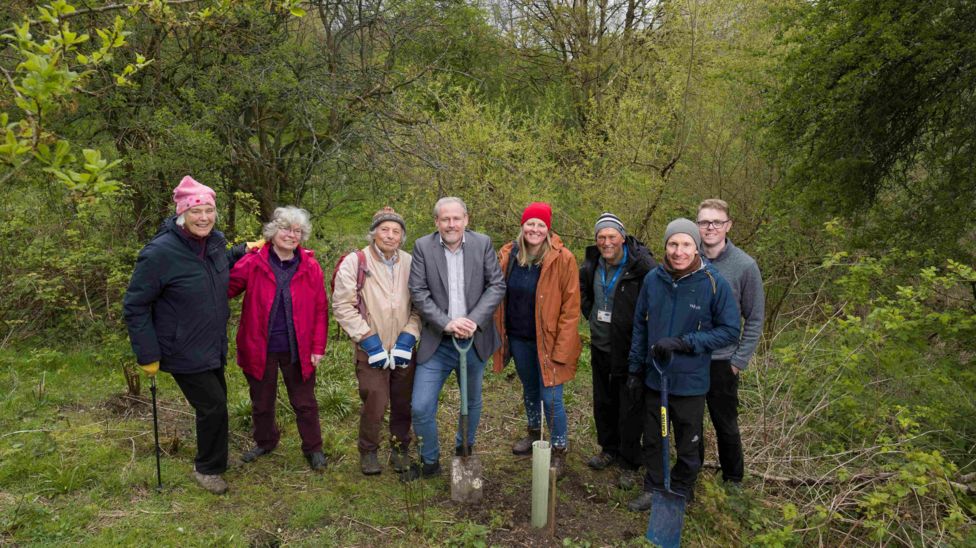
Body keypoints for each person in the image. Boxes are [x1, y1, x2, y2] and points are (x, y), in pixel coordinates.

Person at [123, 175, 234, 494]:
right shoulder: (159, 253)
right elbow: (135, 305)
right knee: (213, 406)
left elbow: (216, 267)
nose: (204, 218)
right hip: (182, 347)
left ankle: (215, 459)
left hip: (212, 344)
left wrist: (241, 251)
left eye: (209, 210)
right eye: (196, 211)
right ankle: (207, 469)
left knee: (216, 403)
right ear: (182, 214)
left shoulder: (212, 243)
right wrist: (147, 354)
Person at [626, 218, 741, 511]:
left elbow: (729, 330)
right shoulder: (654, 279)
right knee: (653, 438)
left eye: (686, 244)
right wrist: (635, 368)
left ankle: (680, 489)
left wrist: (685, 342)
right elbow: (640, 324)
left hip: (690, 380)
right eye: (673, 244)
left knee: (688, 442)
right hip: (656, 376)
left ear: (696, 246)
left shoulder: (713, 283)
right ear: (665, 246)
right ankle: (654, 487)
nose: (679, 251)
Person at [402, 197, 506, 481]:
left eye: (456, 218)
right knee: (421, 406)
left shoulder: (482, 243)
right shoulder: (423, 247)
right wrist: (448, 322)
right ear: (436, 222)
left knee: (471, 402)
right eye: (445, 219)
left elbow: (496, 285)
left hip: (474, 340)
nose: (451, 224)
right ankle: (430, 459)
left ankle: (464, 449)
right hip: (437, 341)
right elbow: (419, 292)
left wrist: (473, 320)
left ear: (466, 220)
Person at [228, 206, 329, 471]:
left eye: (297, 231)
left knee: (305, 402)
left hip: (299, 348)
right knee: (261, 401)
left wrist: (318, 346)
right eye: (286, 228)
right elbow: (225, 288)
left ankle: (313, 448)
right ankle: (265, 441)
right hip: (259, 347)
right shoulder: (253, 262)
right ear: (273, 232)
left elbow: (320, 308)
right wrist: (226, 257)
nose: (291, 235)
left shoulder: (311, 266)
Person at [492, 203, 581, 474]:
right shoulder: (509, 255)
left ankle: (559, 448)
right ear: (522, 226)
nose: (535, 229)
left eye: (541, 225)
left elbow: (571, 307)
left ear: (548, 228)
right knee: (530, 390)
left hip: (550, 341)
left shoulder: (562, 258)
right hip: (519, 338)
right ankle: (533, 432)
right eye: (530, 223)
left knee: (551, 397)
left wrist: (563, 347)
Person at [333, 207, 421, 476]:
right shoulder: (356, 261)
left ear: (402, 237)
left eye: (396, 231)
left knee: (403, 400)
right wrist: (369, 341)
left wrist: (409, 337)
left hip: (403, 347)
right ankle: (369, 450)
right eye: (385, 229)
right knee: (375, 399)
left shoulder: (411, 262)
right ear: (374, 233)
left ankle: (400, 447)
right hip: (371, 348)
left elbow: (420, 305)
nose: (390, 235)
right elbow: (342, 306)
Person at [579, 212, 657, 489]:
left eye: (612, 236)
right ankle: (608, 449)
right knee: (604, 402)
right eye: (601, 237)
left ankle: (629, 461)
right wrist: (591, 315)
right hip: (600, 346)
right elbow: (584, 293)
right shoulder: (591, 263)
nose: (606, 242)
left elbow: (654, 304)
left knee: (630, 407)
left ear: (622, 237)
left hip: (629, 349)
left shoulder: (642, 267)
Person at [696, 199, 765, 489]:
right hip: (690, 358)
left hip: (723, 362)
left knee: (726, 425)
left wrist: (738, 361)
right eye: (704, 222)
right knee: (690, 424)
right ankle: (692, 476)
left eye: (716, 222)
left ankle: (733, 479)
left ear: (728, 226)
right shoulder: (686, 256)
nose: (710, 227)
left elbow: (755, 317)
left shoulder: (744, 266)